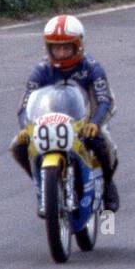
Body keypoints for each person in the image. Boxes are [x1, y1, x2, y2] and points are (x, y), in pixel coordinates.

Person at [11, 15, 120, 213]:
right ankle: (42, 184)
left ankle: (108, 185)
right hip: (50, 116)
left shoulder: (92, 67)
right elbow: (24, 105)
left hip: (86, 115)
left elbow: (104, 100)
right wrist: (25, 128)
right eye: (56, 48)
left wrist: (95, 123)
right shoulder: (41, 70)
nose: (61, 53)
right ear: (48, 48)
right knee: (17, 146)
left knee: (102, 140)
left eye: (66, 47)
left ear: (78, 45)